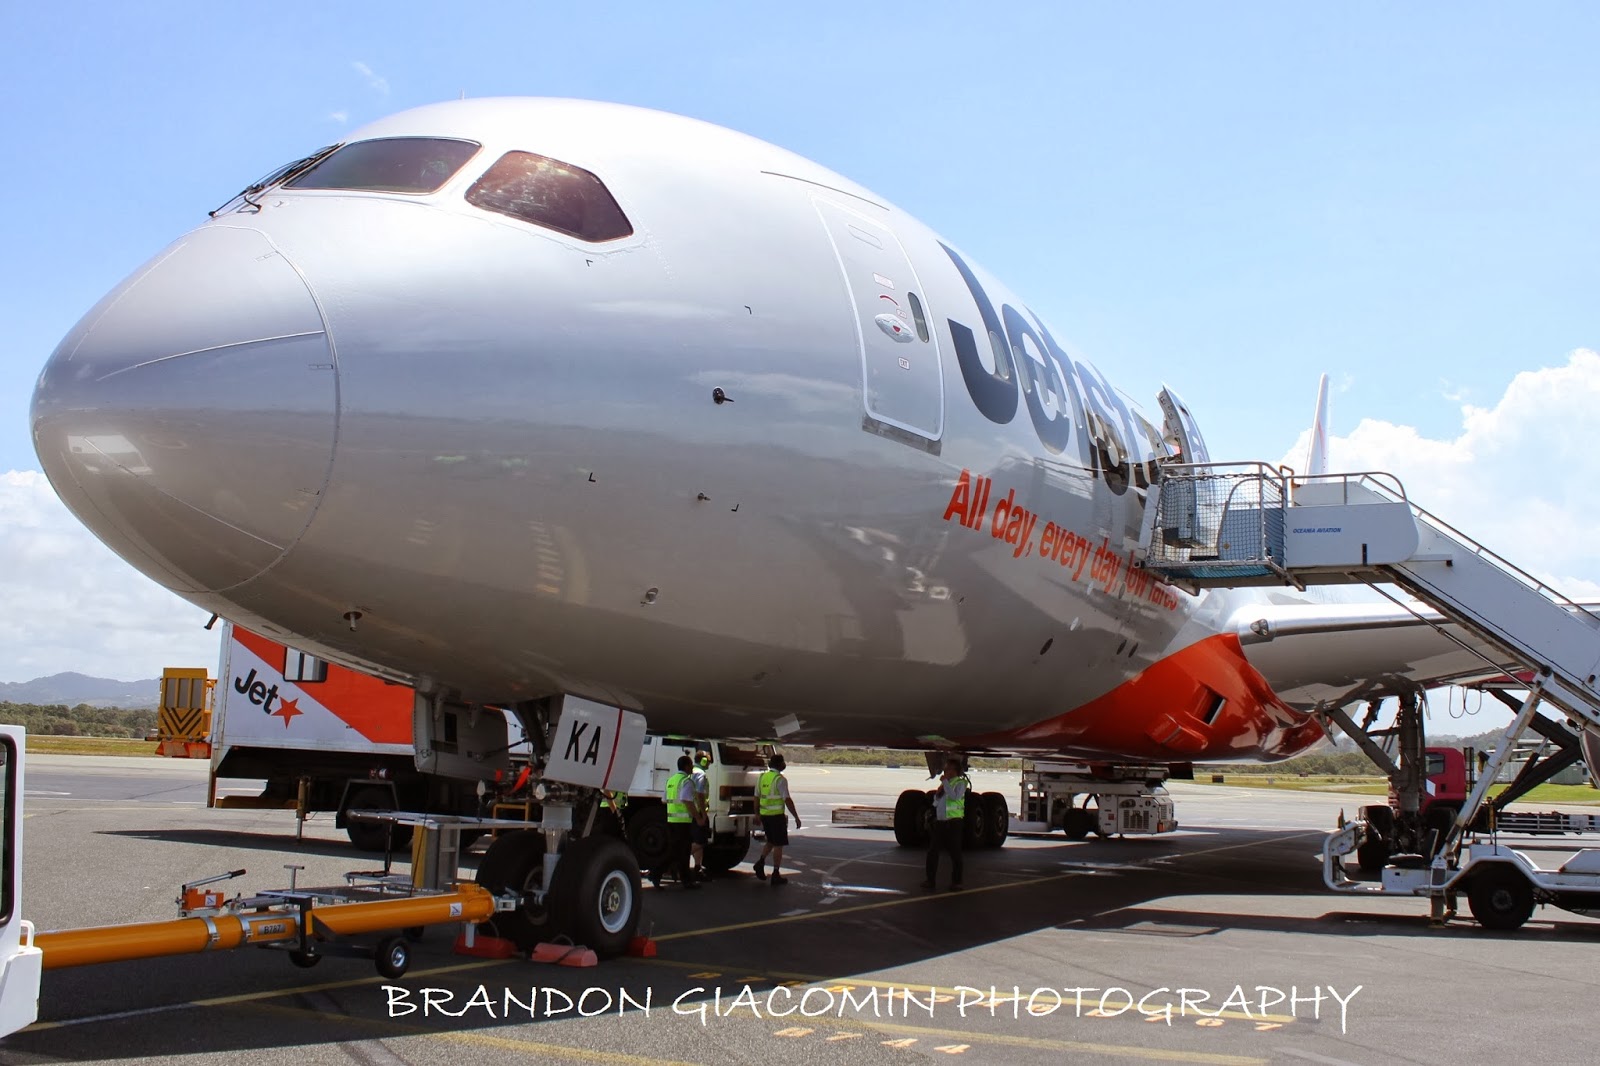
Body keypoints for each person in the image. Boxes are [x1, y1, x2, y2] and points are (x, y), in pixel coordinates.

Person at [652, 755, 700, 890]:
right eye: (691, 765)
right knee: (681, 852)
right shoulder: (686, 781)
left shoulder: (671, 780)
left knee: (678, 852)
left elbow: (664, 800)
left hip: (672, 820)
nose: (692, 768)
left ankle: (682, 879)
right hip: (683, 822)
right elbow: (686, 800)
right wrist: (697, 816)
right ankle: (659, 874)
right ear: (686, 766)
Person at [753, 753, 800, 885]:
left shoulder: (762, 777)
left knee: (771, 841)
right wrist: (796, 816)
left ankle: (760, 862)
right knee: (778, 844)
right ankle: (775, 873)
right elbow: (787, 800)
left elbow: (756, 797)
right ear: (780, 765)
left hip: (764, 815)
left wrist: (756, 814)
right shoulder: (780, 780)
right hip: (776, 816)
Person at [924, 757, 970, 891]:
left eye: (948, 769)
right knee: (933, 852)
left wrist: (945, 783)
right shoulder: (946, 784)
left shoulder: (960, 783)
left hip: (954, 823)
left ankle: (957, 882)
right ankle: (930, 880)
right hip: (941, 822)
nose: (945, 771)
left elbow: (955, 797)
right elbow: (936, 803)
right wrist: (937, 796)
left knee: (955, 853)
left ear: (954, 770)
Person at [690, 749, 712, 881]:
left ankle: (698, 867)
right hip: (698, 811)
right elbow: (700, 795)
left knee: (697, 840)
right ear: (703, 761)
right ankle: (676, 858)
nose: (709, 763)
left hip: (690, 812)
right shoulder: (700, 775)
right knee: (701, 842)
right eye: (708, 761)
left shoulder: (691, 772)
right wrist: (703, 814)